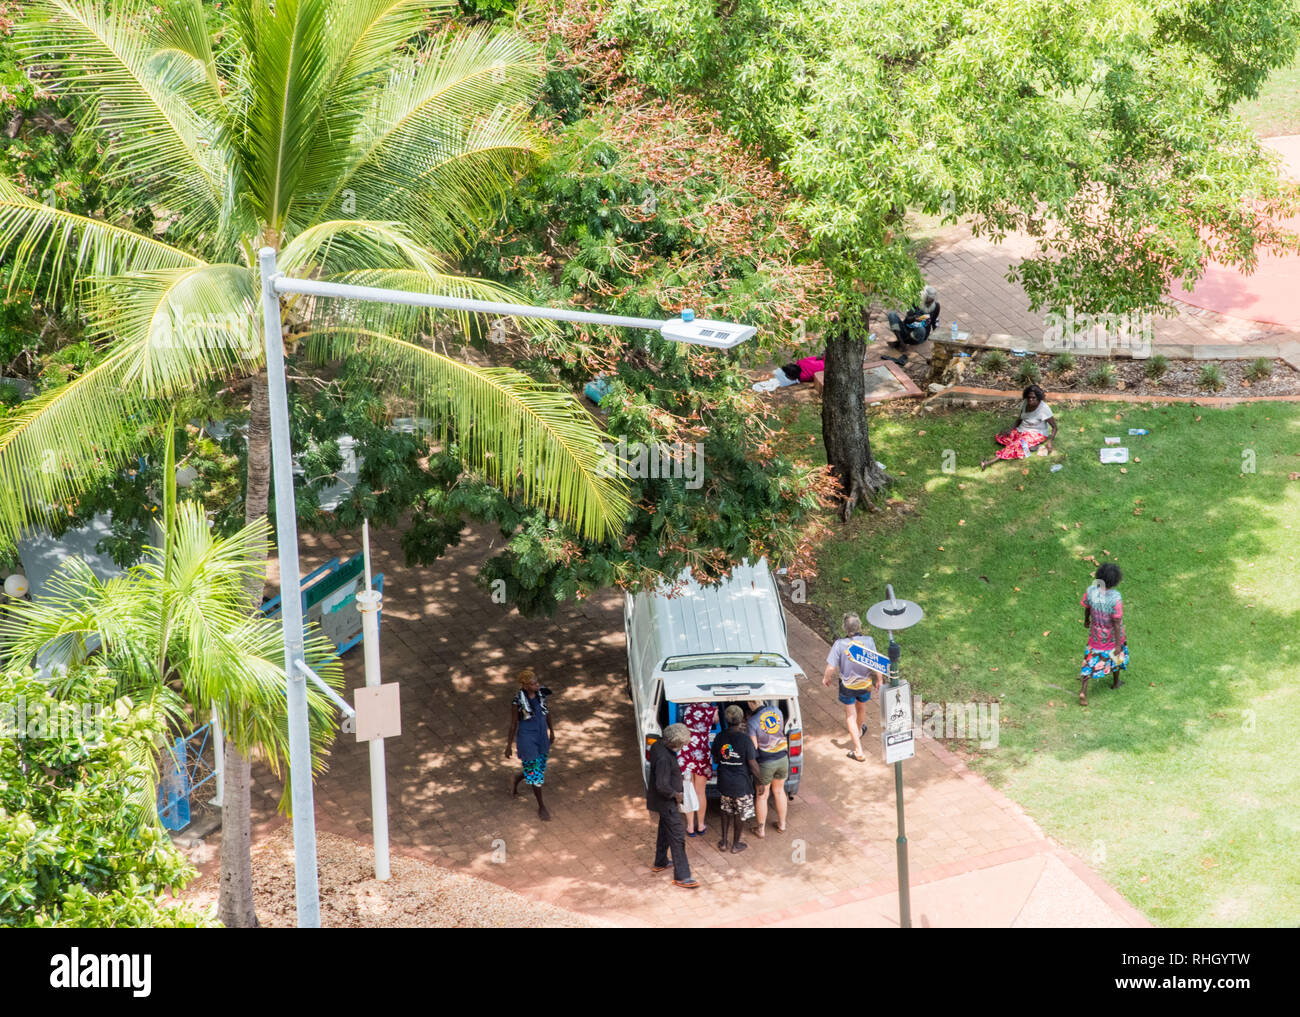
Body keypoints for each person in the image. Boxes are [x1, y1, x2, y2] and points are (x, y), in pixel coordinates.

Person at [822, 612, 880, 762]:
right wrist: (879, 680)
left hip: (847, 685)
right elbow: (877, 662)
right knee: (862, 707)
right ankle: (859, 730)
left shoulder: (839, 644)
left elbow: (830, 668)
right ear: (859, 626)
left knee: (850, 715)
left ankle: (858, 750)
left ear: (844, 628)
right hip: (865, 683)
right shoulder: (869, 641)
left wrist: (826, 678)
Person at [646, 723, 698, 888]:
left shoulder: (658, 746)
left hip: (661, 801)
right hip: (666, 801)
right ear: (672, 742)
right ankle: (682, 876)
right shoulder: (664, 758)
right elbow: (662, 785)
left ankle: (660, 861)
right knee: (677, 837)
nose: (682, 747)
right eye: (681, 744)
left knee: (664, 829)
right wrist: (676, 795)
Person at [504, 667, 555, 821]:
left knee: (539, 765)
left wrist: (551, 731)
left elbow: (546, 712)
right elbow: (513, 724)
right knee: (535, 771)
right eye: (533, 684)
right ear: (525, 686)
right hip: (527, 737)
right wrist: (508, 745)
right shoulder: (517, 701)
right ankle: (541, 806)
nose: (537, 685)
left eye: (537, 682)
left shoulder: (541, 694)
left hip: (541, 734)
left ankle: (516, 779)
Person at [711, 705, 760, 854]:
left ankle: (724, 842)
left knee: (725, 811)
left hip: (724, 781)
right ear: (741, 720)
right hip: (741, 783)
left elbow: (716, 757)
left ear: (726, 719)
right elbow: (752, 764)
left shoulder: (720, 737)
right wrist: (761, 781)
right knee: (740, 813)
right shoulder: (745, 740)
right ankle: (736, 845)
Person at [1080, 563, 1128, 707]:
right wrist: (1118, 644)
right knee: (1116, 657)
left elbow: (1087, 607)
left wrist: (1086, 620)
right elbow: (1116, 622)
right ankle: (1116, 682)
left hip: (1096, 634)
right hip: (1112, 637)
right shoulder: (1115, 598)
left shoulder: (1090, 591)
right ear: (1115, 581)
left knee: (1090, 659)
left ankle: (1083, 690)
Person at [980, 384, 1058, 470]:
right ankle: (1029, 447)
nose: (1030, 400)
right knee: (1002, 436)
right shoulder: (1025, 403)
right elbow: (1020, 419)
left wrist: (1050, 441)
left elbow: (1055, 427)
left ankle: (988, 462)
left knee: (1015, 444)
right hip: (1023, 429)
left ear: (1039, 398)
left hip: (1037, 433)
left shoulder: (1044, 409)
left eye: (1033, 398)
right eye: (1028, 397)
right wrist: (1011, 429)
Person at [746, 699, 789, 838]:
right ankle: (782, 824)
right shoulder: (777, 711)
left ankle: (761, 830)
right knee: (779, 791)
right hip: (782, 758)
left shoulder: (752, 722)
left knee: (762, 796)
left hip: (765, 762)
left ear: (751, 704)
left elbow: (754, 747)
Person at [678, 701, 717, 837]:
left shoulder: (687, 708)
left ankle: (690, 827)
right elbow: (717, 722)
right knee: (700, 792)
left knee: (688, 790)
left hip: (687, 751)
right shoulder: (713, 711)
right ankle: (700, 825)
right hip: (702, 752)